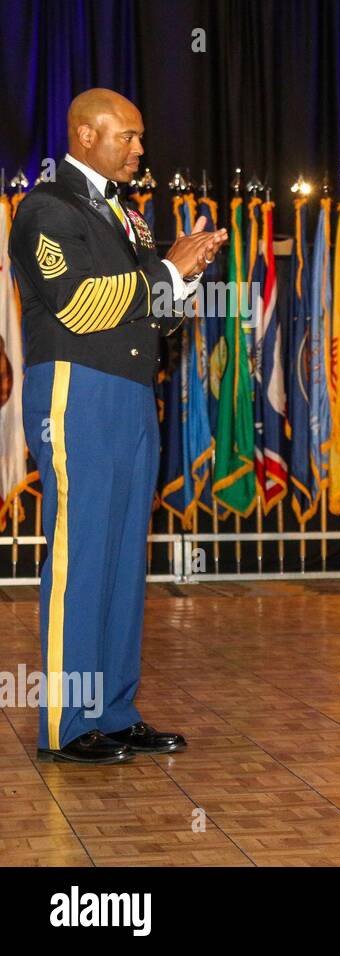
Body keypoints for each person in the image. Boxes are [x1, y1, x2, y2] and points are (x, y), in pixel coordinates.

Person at [10, 88, 227, 763]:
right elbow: (79, 303)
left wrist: (186, 281)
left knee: (124, 554)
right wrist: (168, 268)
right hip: (78, 388)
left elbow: (148, 312)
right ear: (83, 133)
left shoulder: (124, 216)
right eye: (128, 137)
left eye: (139, 137)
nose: (141, 149)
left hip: (131, 390)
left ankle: (112, 709)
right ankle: (67, 725)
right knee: (80, 556)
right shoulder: (46, 208)